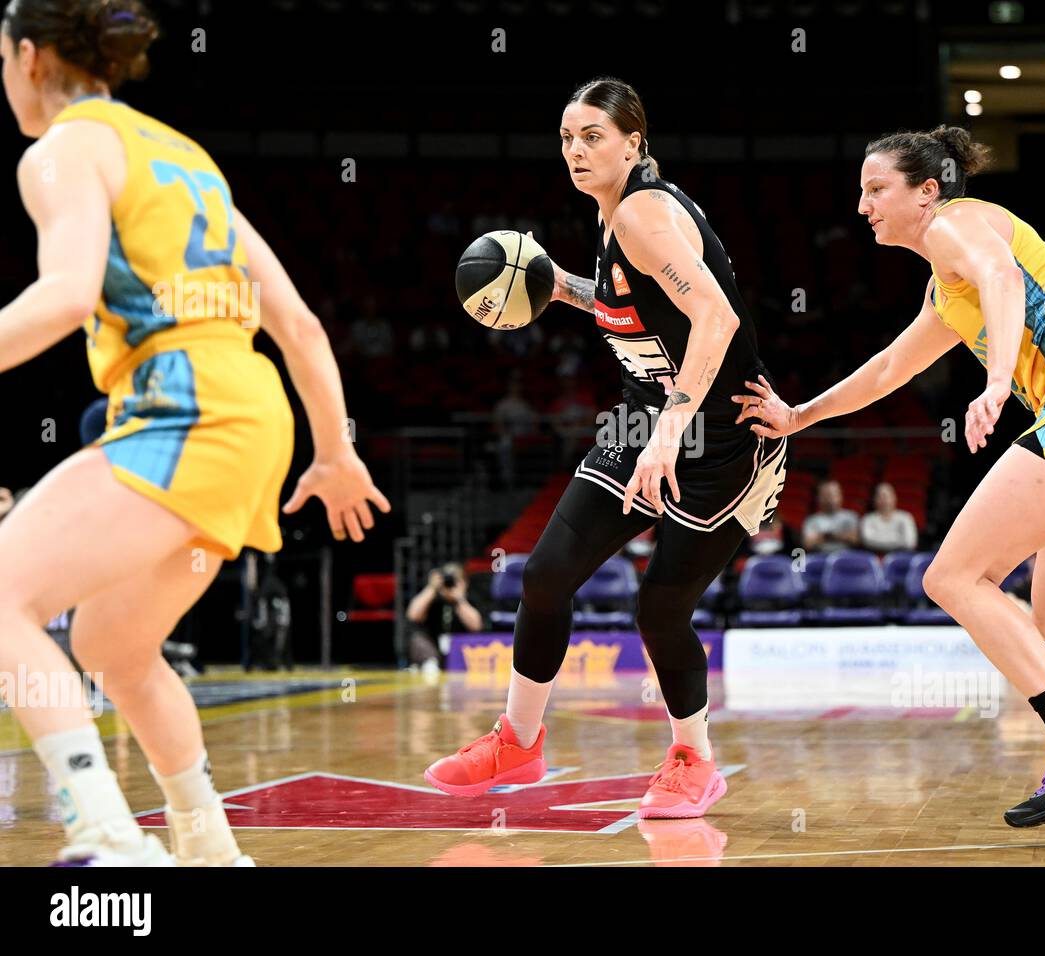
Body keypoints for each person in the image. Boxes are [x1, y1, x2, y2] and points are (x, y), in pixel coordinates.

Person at [735, 125, 1045, 832]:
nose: (863, 206)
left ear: (927, 192)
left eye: (877, 190)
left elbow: (1002, 277)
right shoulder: (947, 288)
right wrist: (799, 416)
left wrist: (997, 381)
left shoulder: (959, 223)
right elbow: (887, 369)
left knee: (954, 577)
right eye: (861, 192)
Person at [0, 0, 389, 866]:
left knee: (1, 592)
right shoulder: (184, 156)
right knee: (113, 645)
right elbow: (300, 326)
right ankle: (209, 848)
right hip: (255, 417)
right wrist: (334, 450)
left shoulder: (62, 148)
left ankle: (100, 832)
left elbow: (65, 296)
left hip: (186, 404)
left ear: (27, 58)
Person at [424, 77, 785, 819]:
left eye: (593, 136)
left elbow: (715, 320)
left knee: (660, 610)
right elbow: (642, 308)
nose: (577, 150)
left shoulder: (645, 213)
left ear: (634, 141)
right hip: (646, 418)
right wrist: (565, 288)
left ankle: (694, 759)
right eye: (567, 138)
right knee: (547, 575)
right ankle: (518, 743)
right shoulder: (620, 213)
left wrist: (669, 434)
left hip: (723, 440)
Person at [405, 563, 482, 670]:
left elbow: (476, 626)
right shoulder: (432, 599)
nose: (450, 585)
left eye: (455, 581)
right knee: (417, 638)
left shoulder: (470, 600)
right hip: (434, 649)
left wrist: (459, 600)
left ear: (465, 583)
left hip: (460, 650)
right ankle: (429, 664)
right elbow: (413, 616)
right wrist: (431, 588)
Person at [801, 479, 860, 552]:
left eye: (833, 494)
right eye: (826, 495)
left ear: (840, 496)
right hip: (820, 557)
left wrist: (828, 536)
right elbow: (808, 544)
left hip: (846, 556)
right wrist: (841, 536)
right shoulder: (811, 520)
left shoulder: (851, 516)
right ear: (818, 498)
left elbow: (855, 539)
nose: (830, 499)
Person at [860, 481, 918, 553]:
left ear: (894, 498)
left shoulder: (905, 517)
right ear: (874, 500)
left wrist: (878, 539)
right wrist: (898, 539)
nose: (884, 500)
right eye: (880, 497)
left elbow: (910, 542)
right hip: (874, 556)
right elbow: (867, 541)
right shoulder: (868, 519)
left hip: (901, 556)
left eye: (887, 496)